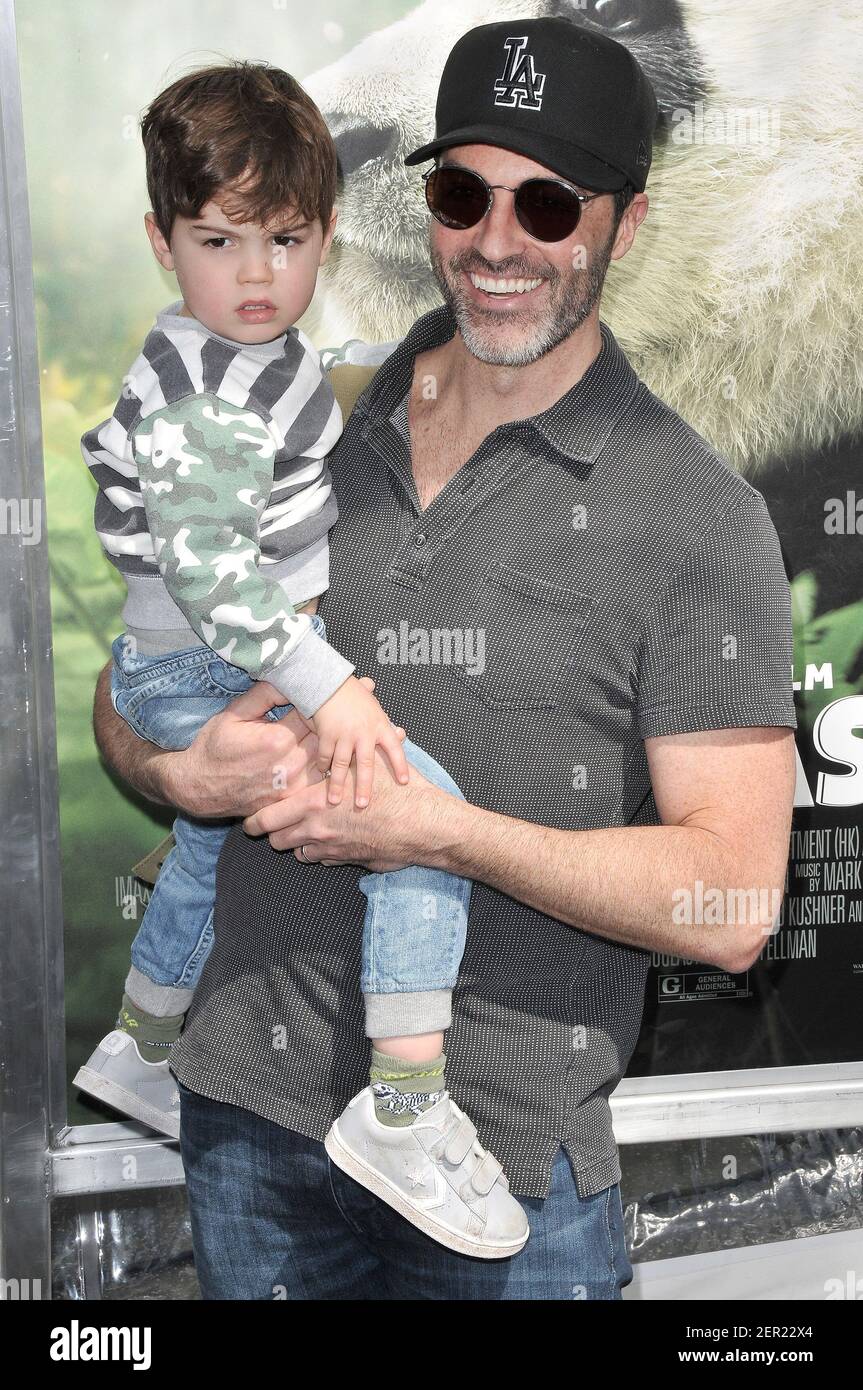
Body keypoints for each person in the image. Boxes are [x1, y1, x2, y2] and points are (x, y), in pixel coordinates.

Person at [93, 17, 798, 1300]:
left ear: (622, 227)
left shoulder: (695, 517)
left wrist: (441, 834)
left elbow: (734, 906)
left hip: (499, 1187)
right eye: (463, 192)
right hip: (245, 1134)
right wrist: (179, 774)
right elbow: (141, 669)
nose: (496, 243)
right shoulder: (311, 405)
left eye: (547, 204)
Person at [75, 57, 530, 1259]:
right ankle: (404, 1106)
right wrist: (333, 685)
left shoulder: (249, 356)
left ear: (326, 233)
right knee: (418, 814)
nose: (257, 275)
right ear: (161, 240)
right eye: (218, 241)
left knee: (203, 843)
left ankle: (143, 1040)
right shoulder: (198, 394)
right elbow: (220, 582)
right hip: (209, 666)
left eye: (283, 239)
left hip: (212, 666)